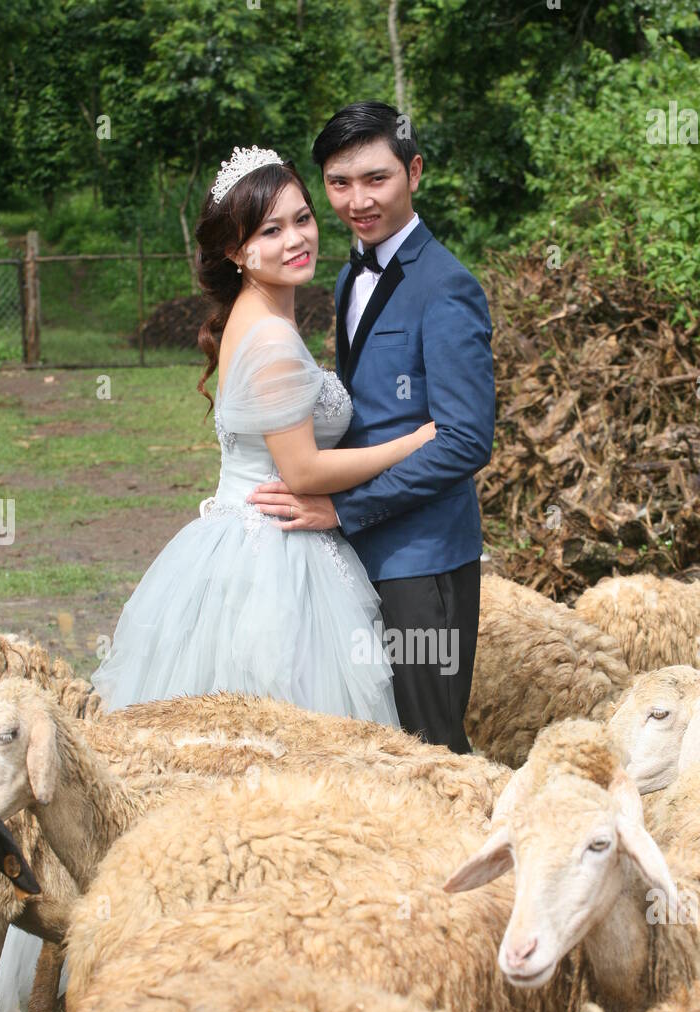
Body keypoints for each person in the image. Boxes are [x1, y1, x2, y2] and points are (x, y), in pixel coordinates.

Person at [89, 145, 436, 722]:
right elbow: (301, 472)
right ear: (236, 250)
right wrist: (412, 443)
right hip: (274, 551)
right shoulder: (271, 340)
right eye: (270, 230)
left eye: (302, 219)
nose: (296, 239)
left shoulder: (257, 315)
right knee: (287, 725)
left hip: (247, 533)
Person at [247, 102, 495, 753]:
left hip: (423, 557)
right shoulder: (345, 275)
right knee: (374, 743)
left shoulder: (448, 287)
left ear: (413, 171)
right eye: (338, 183)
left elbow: (467, 439)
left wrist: (345, 508)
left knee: (432, 745)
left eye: (376, 178)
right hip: (353, 554)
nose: (358, 199)